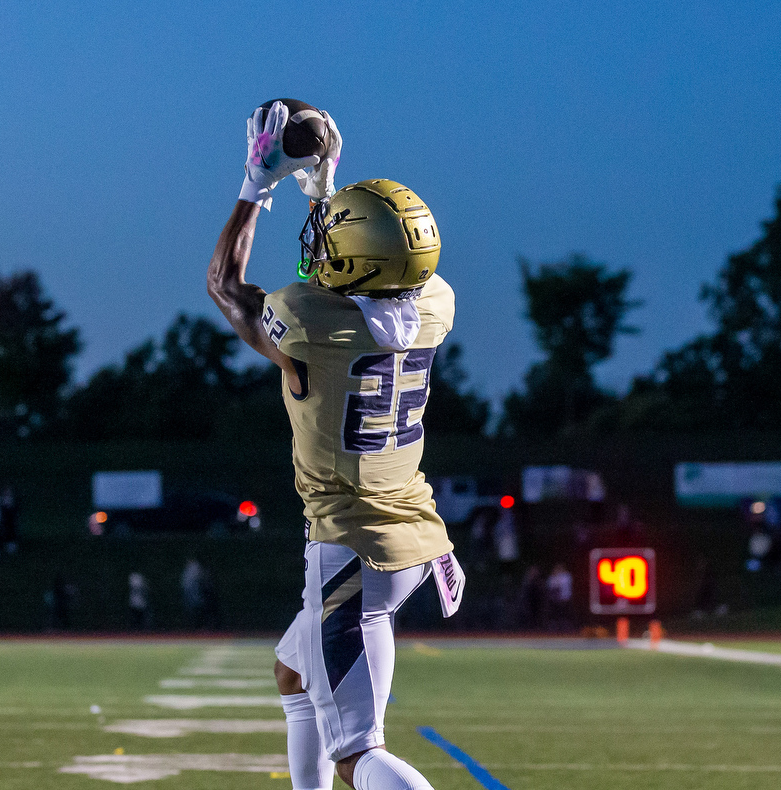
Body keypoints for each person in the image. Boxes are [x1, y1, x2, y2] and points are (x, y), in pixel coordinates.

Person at [208, 101, 464, 790]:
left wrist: (256, 184)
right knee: (293, 670)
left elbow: (226, 288)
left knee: (358, 754)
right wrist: (323, 194)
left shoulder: (307, 322)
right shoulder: (435, 302)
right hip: (415, 536)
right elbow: (367, 274)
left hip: (350, 549)